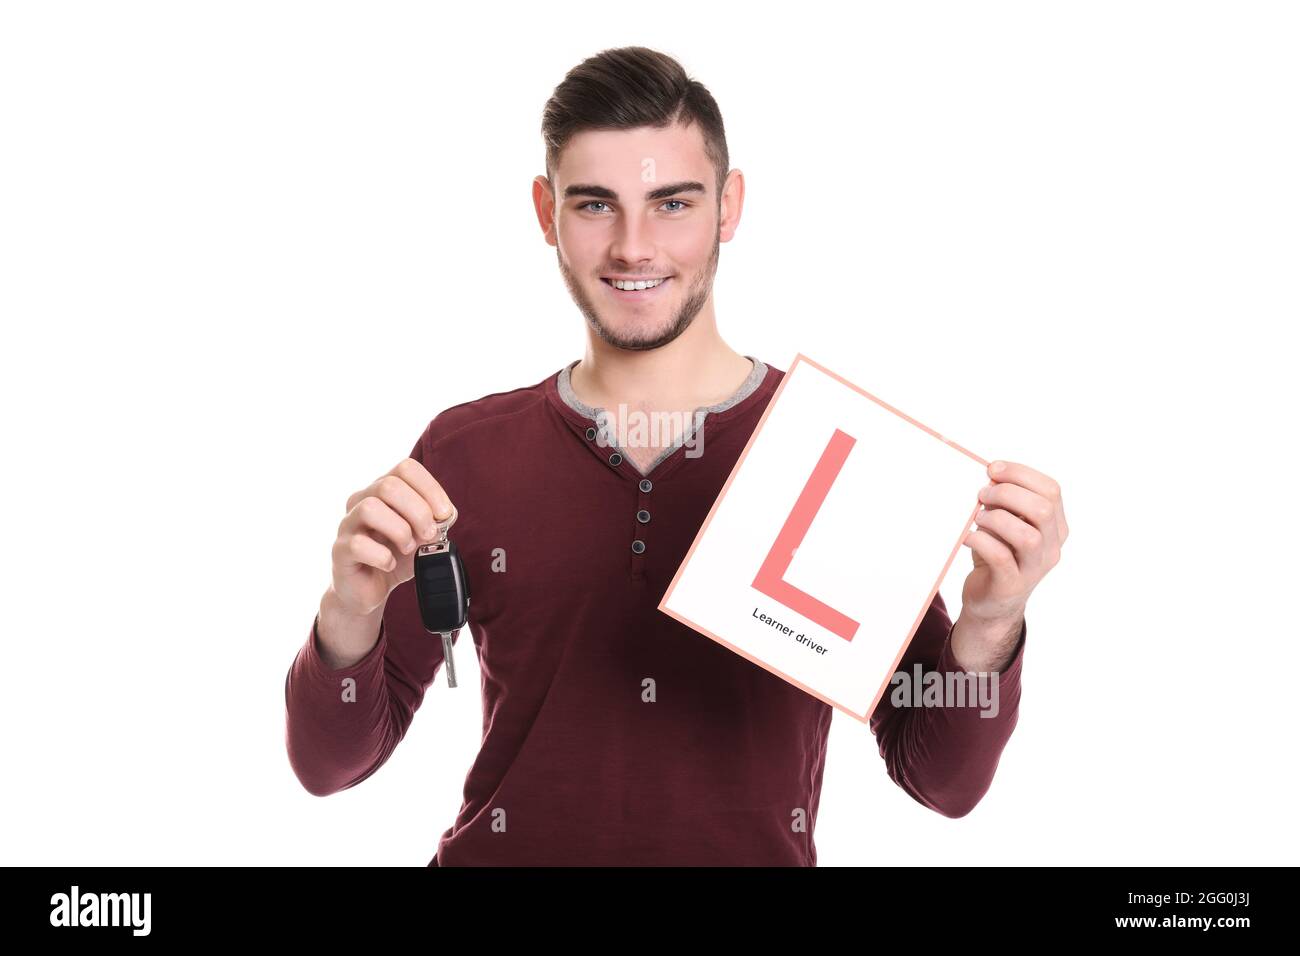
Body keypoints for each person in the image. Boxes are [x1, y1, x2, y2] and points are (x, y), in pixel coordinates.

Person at [284, 46, 1066, 866]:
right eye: (595, 205)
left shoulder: (827, 457)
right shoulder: (466, 454)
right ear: (546, 212)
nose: (633, 246)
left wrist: (987, 624)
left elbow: (941, 781)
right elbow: (331, 764)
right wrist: (349, 614)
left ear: (728, 207)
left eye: (671, 203)